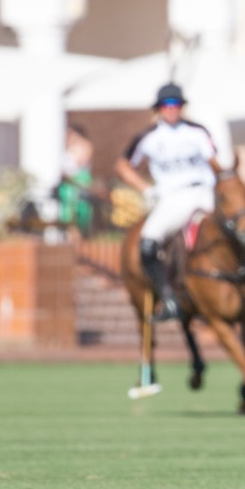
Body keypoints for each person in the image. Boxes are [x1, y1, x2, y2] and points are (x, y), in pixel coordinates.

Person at [115, 83, 221, 321]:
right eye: (166, 105)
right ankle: (169, 299)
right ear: (159, 108)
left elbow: (214, 163)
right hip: (172, 198)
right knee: (147, 244)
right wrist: (145, 188)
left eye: (176, 104)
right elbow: (122, 165)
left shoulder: (198, 131)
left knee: (241, 228)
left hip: (203, 192)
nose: (171, 109)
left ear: (182, 107)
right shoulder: (149, 136)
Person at [59, 125, 96, 239]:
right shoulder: (66, 147)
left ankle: (79, 236)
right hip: (67, 184)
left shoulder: (85, 146)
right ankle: (70, 235)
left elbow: (79, 162)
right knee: (67, 212)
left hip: (78, 182)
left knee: (80, 211)